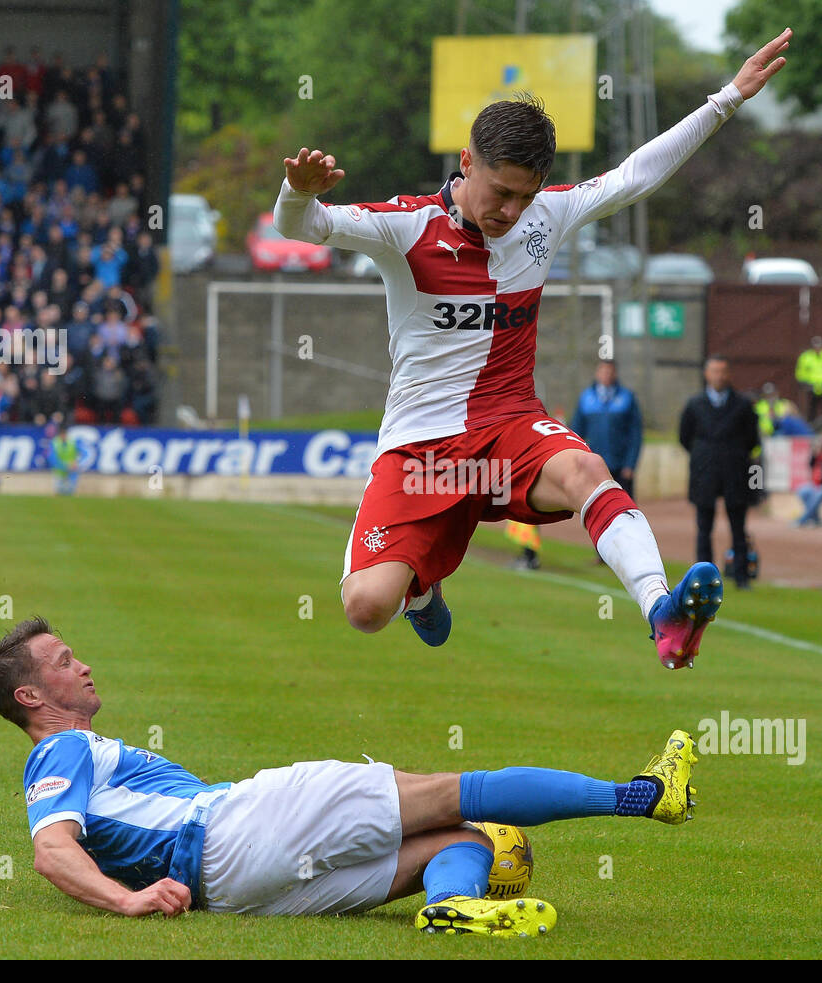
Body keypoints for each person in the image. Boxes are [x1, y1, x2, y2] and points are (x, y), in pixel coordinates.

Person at [272, 27, 793, 671]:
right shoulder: (405, 228)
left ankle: (663, 613)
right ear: (466, 163)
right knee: (365, 609)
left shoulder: (547, 214)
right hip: (422, 451)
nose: (513, 210)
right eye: (501, 192)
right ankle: (420, 587)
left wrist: (727, 98)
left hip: (509, 430)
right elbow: (305, 226)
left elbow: (636, 175)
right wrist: (298, 191)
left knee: (586, 472)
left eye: (525, 194)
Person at [0, 618, 700, 935]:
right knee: (456, 789)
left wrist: (139, 891)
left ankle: (455, 906)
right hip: (237, 825)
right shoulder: (60, 750)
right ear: (32, 697)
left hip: (233, 892)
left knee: (466, 838)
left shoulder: (80, 754)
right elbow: (52, 850)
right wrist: (126, 902)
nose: (84, 664)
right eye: (65, 660)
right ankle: (643, 795)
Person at [679, 356, 760, 590]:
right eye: (714, 371)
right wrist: (704, 454)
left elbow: (752, 438)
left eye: (723, 371)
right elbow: (685, 437)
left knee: (738, 527)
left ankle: (742, 576)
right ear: (707, 374)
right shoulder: (695, 404)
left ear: (729, 374)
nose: (719, 376)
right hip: (705, 472)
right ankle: (703, 577)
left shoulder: (743, 405)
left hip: (735, 472)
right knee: (704, 527)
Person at [569, 360, 643, 498]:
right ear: (597, 373)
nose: (606, 375)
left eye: (610, 371)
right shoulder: (586, 398)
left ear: (615, 374)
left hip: (620, 467)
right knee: (596, 509)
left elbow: (635, 434)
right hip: (594, 467)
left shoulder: (627, 398)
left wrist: (630, 464)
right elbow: (576, 433)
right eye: (603, 371)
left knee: (624, 510)